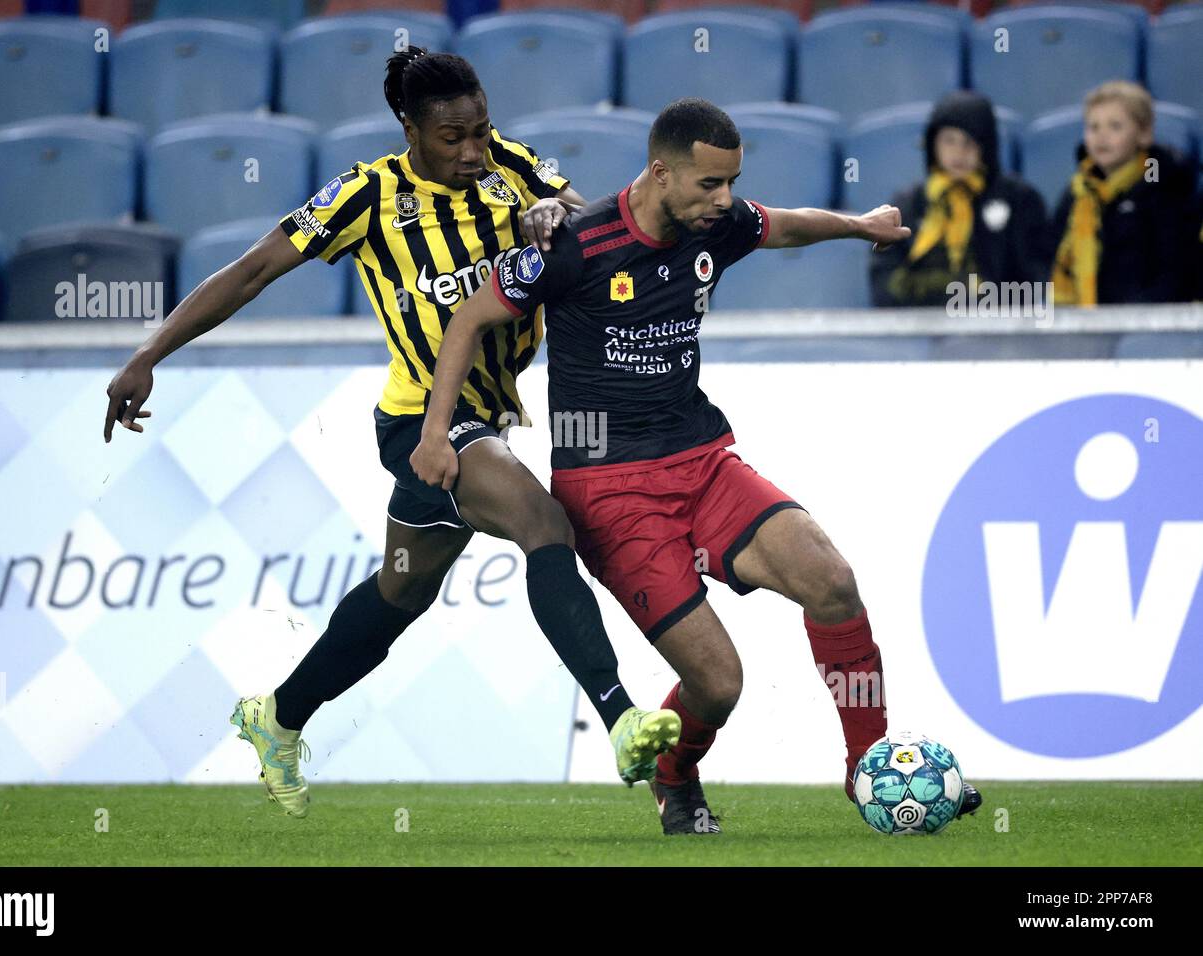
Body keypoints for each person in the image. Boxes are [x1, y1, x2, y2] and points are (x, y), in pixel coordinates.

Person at [103, 48, 679, 819]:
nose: (473, 151)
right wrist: (148, 352)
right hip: (423, 423)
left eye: (480, 131)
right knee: (543, 523)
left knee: (401, 590)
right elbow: (250, 271)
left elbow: (595, 225)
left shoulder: (509, 161)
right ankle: (622, 718)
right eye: (452, 138)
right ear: (408, 127)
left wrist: (557, 213)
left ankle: (276, 717)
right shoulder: (366, 194)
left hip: (492, 412)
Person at [412, 98, 984, 835]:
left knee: (833, 583)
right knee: (718, 685)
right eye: (710, 185)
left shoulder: (720, 224)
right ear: (660, 172)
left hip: (702, 460)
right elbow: (468, 319)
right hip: (607, 488)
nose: (725, 201)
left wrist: (859, 225)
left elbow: (784, 224)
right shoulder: (574, 246)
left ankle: (867, 764)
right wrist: (435, 434)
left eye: (731, 183)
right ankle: (675, 774)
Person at [870, 90, 1050, 308]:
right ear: (932, 144)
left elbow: (1033, 283)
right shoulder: (907, 203)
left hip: (995, 331)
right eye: (949, 140)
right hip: (918, 331)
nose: (959, 152)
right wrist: (958, 294)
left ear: (987, 146)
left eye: (969, 142)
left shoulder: (1021, 200)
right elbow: (883, 287)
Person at [1051, 81, 1196, 305]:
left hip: (1150, 325)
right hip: (1083, 323)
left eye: (1115, 126)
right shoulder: (1076, 194)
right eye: (1093, 127)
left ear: (1144, 134)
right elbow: (1051, 261)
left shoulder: (1164, 188)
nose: (1102, 136)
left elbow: (1175, 274)